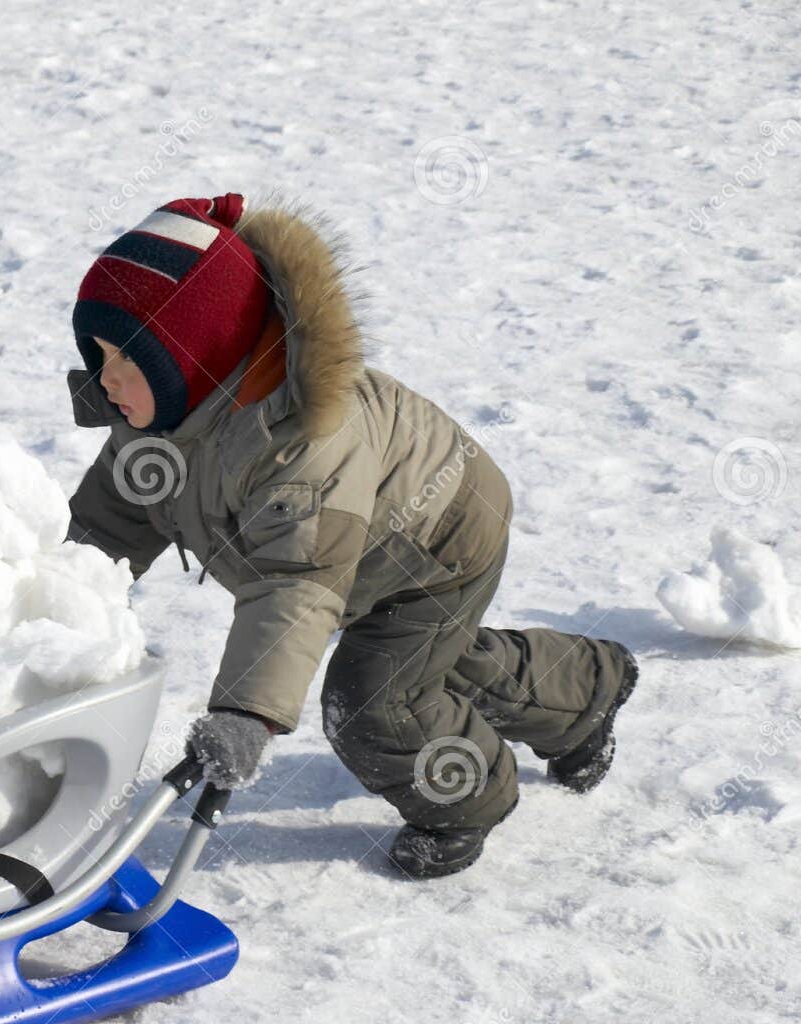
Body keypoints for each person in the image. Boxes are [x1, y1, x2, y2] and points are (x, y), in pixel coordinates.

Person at [65, 193, 637, 877]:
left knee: (373, 705)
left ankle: (468, 800)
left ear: (198, 354)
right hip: (353, 554)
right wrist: (42, 602)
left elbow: (295, 587)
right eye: (96, 353)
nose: (106, 378)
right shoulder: (156, 421)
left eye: (127, 357)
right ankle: (584, 689)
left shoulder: (302, 446)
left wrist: (247, 712)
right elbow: (103, 529)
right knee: (433, 662)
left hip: (439, 538)